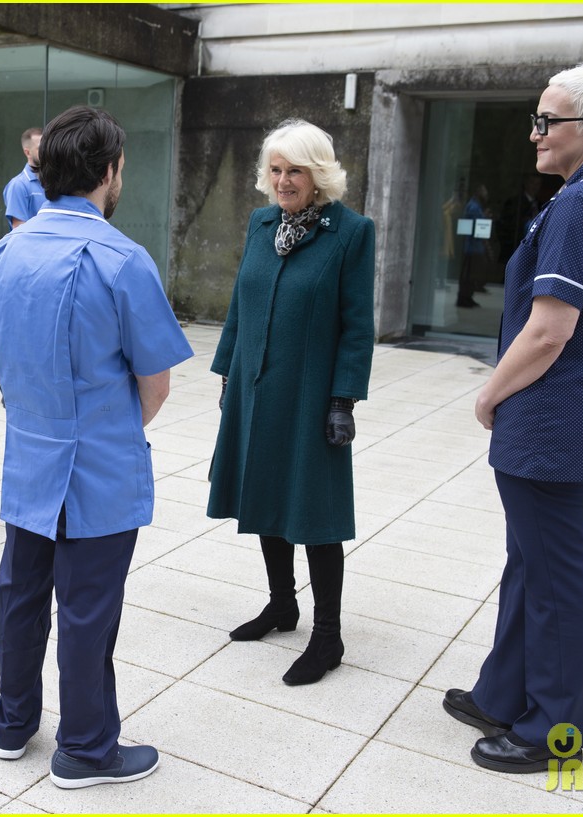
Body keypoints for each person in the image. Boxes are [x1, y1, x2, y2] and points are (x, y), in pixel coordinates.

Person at [445, 63, 583, 774]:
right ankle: (504, 693)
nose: (534, 133)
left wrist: (488, 394)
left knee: (557, 575)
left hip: (551, 419)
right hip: (573, 412)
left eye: (546, 121)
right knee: (531, 561)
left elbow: (548, 330)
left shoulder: (580, 205)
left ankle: (557, 730)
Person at [0, 106, 193, 789]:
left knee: (21, 592)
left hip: (27, 454)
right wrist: (110, 429)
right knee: (87, 609)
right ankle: (86, 748)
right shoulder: (121, 260)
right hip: (97, 462)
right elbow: (155, 384)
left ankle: (14, 720)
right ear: (109, 171)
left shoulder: (3, 254)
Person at [206, 118, 375, 687]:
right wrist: (227, 373)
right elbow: (241, 304)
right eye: (275, 170)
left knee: (316, 512)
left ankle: (329, 636)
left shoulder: (351, 232)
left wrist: (344, 399)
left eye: (295, 170)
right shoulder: (261, 224)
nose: (282, 181)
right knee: (264, 494)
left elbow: (358, 325)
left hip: (311, 396)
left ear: (319, 174)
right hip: (255, 388)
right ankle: (283, 604)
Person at [2, 127, 43, 229]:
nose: (46, 151)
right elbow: (19, 230)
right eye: (41, 148)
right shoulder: (18, 185)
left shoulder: (57, 182)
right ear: (27, 152)